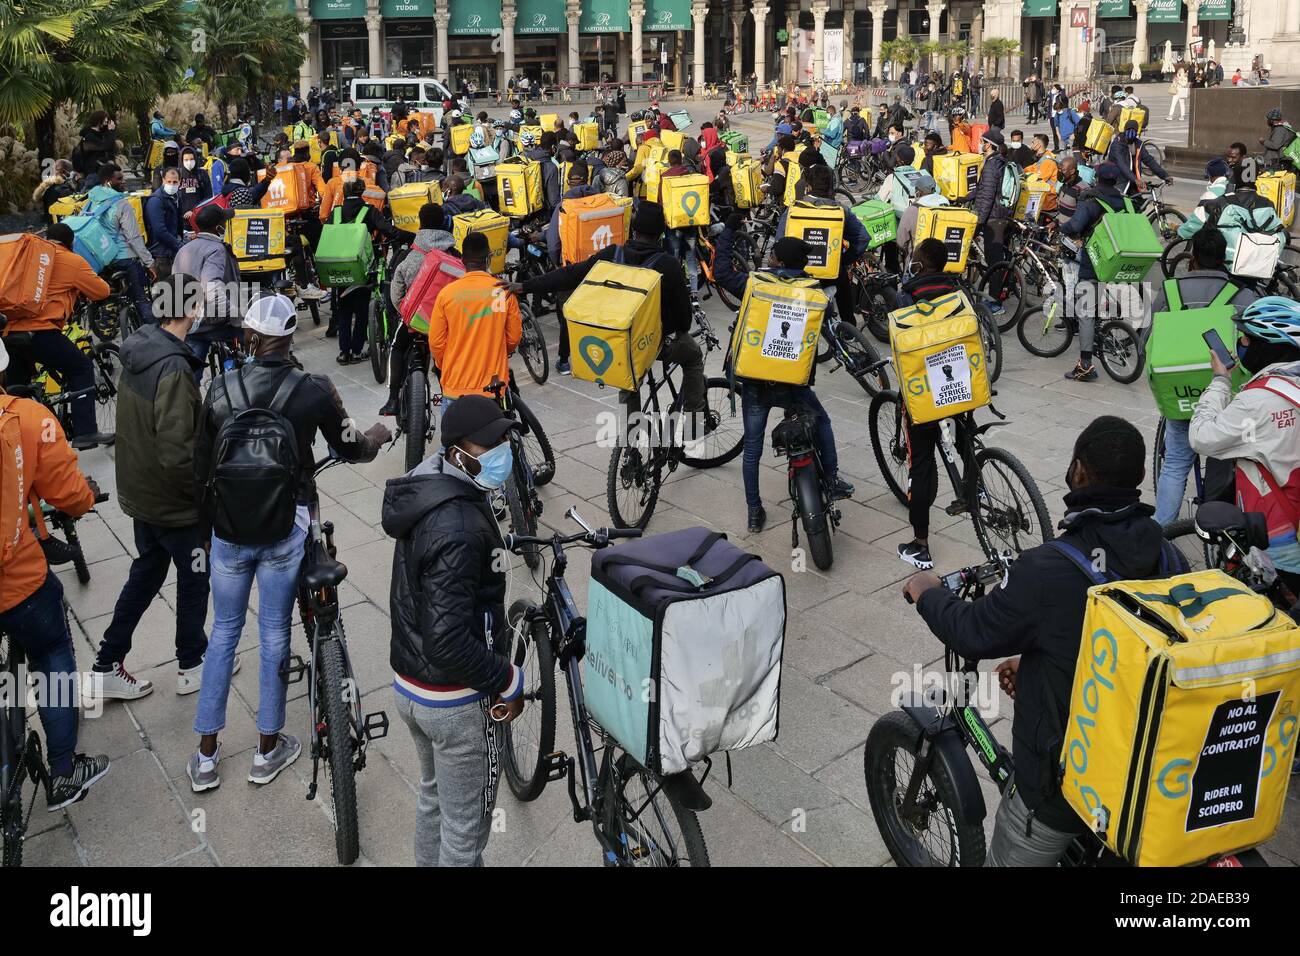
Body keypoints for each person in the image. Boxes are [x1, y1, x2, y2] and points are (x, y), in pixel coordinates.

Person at [904, 415, 1186, 865]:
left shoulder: (1046, 568)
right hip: (1150, 768)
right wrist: (1038, 663)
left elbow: (974, 632)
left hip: (1065, 790)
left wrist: (928, 594)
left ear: (1078, 471)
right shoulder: (1169, 553)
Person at [188, 294, 390, 793]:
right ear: (291, 335)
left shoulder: (218, 388)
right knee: (276, 629)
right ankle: (265, 749)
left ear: (251, 337)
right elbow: (350, 447)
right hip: (287, 523)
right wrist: (379, 434)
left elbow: (198, 467)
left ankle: (206, 757)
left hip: (229, 531)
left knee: (224, 633)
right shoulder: (313, 389)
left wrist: (207, 529)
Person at [383, 394, 525, 866]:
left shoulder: (430, 487)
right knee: (465, 836)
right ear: (459, 452)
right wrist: (506, 677)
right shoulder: (460, 525)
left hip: (411, 687)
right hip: (454, 702)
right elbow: (448, 642)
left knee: (434, 801)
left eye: (505, 438)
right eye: (491, 444)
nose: (503, 448)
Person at [91, 272, 215, 701]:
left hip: (140, 493)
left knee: (145, 574)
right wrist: (201, 504)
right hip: (173, 502)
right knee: (196, 575)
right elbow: (178, 449)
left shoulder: (140, 347)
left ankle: (106, 662)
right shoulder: (174, 367)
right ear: (192, 310)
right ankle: (192, 663)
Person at [0, 335, 109, 809]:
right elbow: (67, 494)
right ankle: (63, 770)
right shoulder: (27, 418)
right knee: (52, 652)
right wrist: (86, 497)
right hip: (17, 581)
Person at [712, 230, 854, 532]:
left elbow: (721, 272)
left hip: (755, 381)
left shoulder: (754, 284)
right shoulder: (815, 292)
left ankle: (754, 510)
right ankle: (832, 478)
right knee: (822, 421)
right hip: (793, 383)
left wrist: (728, 232)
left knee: (752, 450)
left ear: (777, 260)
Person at [506, 203, 704, 413]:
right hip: (655, 343)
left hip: (616, 342)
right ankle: (694, 421)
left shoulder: (613, 254)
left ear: (634, 231)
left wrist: (524, 286)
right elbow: (684, 321)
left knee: (628, 376)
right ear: (661, 234)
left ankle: (630, 440)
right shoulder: (669, 265)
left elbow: (570, 275)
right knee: (694, 357)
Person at [1150, 227, 1259, 527]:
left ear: (1192, 256)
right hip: (1227, 396)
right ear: (1223, 258)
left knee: (1174, 464)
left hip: (1180, 394)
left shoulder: (1170, 291)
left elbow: (1149, 338)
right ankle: (1219, 532)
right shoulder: (1243, 295)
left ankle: (1162, 532)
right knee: (1224, 459)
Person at [882, 238, 967, 569]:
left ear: (921, 263)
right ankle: (975, 489)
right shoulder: (958, 289)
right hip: (958, 381)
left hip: (924, 390)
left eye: (915, 259)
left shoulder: (909, 292)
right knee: (964, 436)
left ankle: (921, 545)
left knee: (920, 465)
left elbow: (900, 335)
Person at [3, 225, 113, 449]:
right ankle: (86, 432)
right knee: (80, 368)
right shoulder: (71, 260)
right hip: (41, 332)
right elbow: (101, 291)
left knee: (15, 391)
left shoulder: (29, 258)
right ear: (70, 242)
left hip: (9, 332)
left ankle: (14, 438)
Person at [428, 231, 522, 402]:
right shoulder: (503, 291)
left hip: (455, 388)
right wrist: (499, 352)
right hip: (494, 388)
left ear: (462, 260)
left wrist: (446, 364)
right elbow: (514, 337)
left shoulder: (446, 294)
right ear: (489, 258)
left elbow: (436, 342)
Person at [1059, 163, 1131, 382]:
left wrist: (1063, 228)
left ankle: (1085, 366)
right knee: (1096, 303)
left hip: (1094, 262)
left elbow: (1075, 225)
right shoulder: (1125, 201)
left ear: (1097, 178)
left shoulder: (1091, 200)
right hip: (1117, 262)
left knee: (1086, 313)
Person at [381, 203, 456, 417]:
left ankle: (393, 399)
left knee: (397, 347)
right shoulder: (454, 254)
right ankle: (450, 401)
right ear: (444, 223)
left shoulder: (409, 256)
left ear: (420, 223)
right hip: (447, 325)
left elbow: (396, 294)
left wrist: (407, 314)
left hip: (416, 321)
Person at [777, 164, 869, 322]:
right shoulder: (841, 210)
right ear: (830, 186)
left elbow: (780, 243)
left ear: (809, 186)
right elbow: (863, 238)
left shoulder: (793, 210)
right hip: (831, 273)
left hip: (800, 275)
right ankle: (849, 330)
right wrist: (843, 260)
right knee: (843, 290)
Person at [329, 178, 403, 365]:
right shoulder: (369, 211)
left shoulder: (336, 213)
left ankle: (343, 352)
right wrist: (411, 236)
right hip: (362, 266)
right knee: (362, 308)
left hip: (339, 266)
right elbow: (389, 231)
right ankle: (356, 350)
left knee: (344, 307)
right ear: (362, 192)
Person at [87, 164, 156, 325]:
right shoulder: (122, 204)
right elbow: (133, 238)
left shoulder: (91, 201)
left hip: (102, 259)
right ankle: (155, 336)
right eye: (119, 179)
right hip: (125, 258)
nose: (123, 182)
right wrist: (149, 262)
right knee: (141, 299)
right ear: (107, 181)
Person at [971, 129, 1013, 314]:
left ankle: (996, 303)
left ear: (988, 145)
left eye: (982, 141)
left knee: (994, 261)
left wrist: (979, 221)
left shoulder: (990, 165)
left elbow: (987, 196)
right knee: (1000, 257)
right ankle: (1004, 290)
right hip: (1004, 215)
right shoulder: (1001, 162)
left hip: (993, 219)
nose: (980, 143)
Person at [1106, 120, 1171, 195]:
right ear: (1124, 130)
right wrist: (1135, 180)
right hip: (1118, 184)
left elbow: (1149, 161)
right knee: (1121, 205)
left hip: (1132, 184)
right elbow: (1121, 164)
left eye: (1134, 131)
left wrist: (1165, 176)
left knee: (1139, 205)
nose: (1131, 132)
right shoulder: (1117, 144)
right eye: (1129, 130)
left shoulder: (1138, 144)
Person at [144, 167, 183, 278]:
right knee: (165, 291)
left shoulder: (175, 197)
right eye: (169, 181)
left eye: (175, 182)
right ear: (163, 180)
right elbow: (160, 231)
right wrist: (179, 245)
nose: (172, 184)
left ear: (180, 181)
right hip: (161, 255)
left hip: (171, 252)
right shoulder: (156, 200)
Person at [33, 159, 79, 225]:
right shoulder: (63, 189)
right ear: (65, 172)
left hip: (52, 227)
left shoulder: (49, 188)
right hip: (63, 227)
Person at [74, 111, 116, 181]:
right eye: (105, 118)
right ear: (98, 119)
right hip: (93, 173)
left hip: (102, 171)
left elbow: (110, 148)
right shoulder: (90, 136)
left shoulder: (101, 134)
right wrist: (110, 131)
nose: (106, 120)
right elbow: (105, 147)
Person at [176, 146, 213, 223]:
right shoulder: (176, 175)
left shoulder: (202, 174)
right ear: (181, 160)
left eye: (191, 159)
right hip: (181, 219)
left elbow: (208, 196)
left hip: (200, 217)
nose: (189, 162)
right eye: (186, 160)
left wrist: (194, 211)